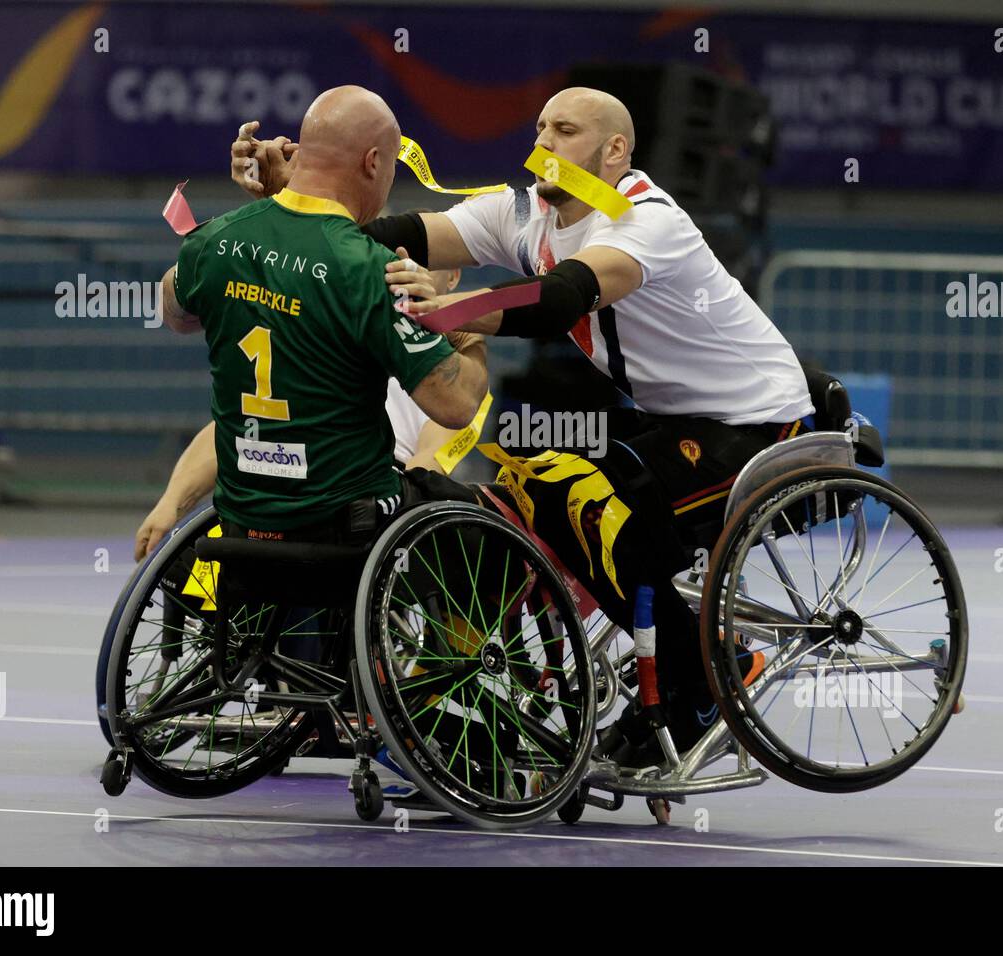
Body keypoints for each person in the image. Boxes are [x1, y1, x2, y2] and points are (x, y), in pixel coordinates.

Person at [231, 88, 815, 765]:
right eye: (540, 127)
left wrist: (446, 308)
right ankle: (478, 715)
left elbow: (559, 295)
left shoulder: (644, 217)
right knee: (520, 505)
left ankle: (711, 675)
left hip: (761, 424)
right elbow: (385, 235)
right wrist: (296, 197)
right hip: (673, 422)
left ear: (614, 150)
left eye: (565, 131)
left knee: (592, 507)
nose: (545, 142)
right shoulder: (522, 213)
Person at [159, 86, 487, 556]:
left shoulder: (216, 242)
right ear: (374, 162)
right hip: (347, 525)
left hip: (241, 521)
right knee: (487, 527)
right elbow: (455, 405)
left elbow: (176, 312)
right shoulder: (370, 269)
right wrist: (469, 334)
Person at [135, 263, 470, 560]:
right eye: (400, 259)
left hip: (363, 496)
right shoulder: (335, 342)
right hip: (293, 492)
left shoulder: (453, 381)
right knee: (181, 560)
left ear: (453, 277)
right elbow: (237, 429)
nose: (407, 269)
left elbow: (426, 468)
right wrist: (172, 502)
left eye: (425, 261)